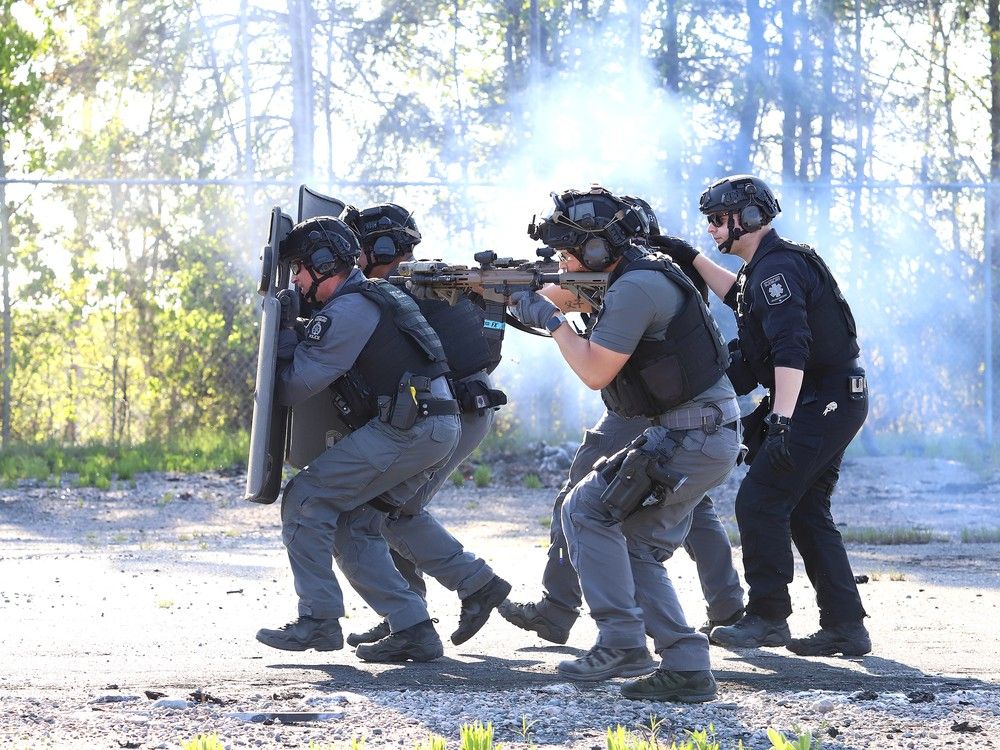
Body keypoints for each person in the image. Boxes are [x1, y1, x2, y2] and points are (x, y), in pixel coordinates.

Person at [508, 186, 742, 703]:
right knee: (633, 542)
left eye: (568, 251)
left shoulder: (637, 286)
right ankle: (684, 666)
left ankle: (621, 641)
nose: (562, 262)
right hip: (695, 431)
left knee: (586, 510)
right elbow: (570, 294)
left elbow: (595, 371)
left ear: (595, 250)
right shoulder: (634, 272)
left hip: (692, 434)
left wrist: (551, 321)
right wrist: (513, 297)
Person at [667, 174, 870, 656]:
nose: (712, 229)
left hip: (821, 399)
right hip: (832, 396)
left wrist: (780, 420)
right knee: (804, 508)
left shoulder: (777, 269)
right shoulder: (767, 269)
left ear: (749, 217)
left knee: (760, 500)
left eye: (718, 219)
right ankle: (846, 627)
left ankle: (767, 618)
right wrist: (687, 256)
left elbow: (791, 347)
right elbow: (741, 296)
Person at [254, 216, 462, 663]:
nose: (294, 280)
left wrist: (287, 333)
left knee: (306, 498)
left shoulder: (350, 309)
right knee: (355, 523)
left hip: (410, 428)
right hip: (429, 424)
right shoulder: (368, 295)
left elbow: (291, 387)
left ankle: (318, 620)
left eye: (298, 269)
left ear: (325, 264)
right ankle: (414, 630)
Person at [336, 202, 511, 652]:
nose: (351, 258)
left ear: (381, 247)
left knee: (389, 511)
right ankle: (404, 613)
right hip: (458, 409)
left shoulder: (403, 286)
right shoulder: (425, 281)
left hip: (454, 411)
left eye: (357, 248)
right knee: (389, 507)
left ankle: (474, 585)